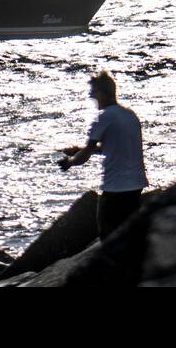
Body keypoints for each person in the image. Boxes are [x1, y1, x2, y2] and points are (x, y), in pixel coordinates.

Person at [59, 71, 148, 241]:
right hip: (136, 185)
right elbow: (116, 148)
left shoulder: (103, 118)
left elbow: (84, 155)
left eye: (93, 93)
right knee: (129, 235)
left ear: (101, 93)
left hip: (115, 187)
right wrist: (82, 149)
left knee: (108, 236)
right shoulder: (130, 115)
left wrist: (70, 161)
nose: (92, 97)